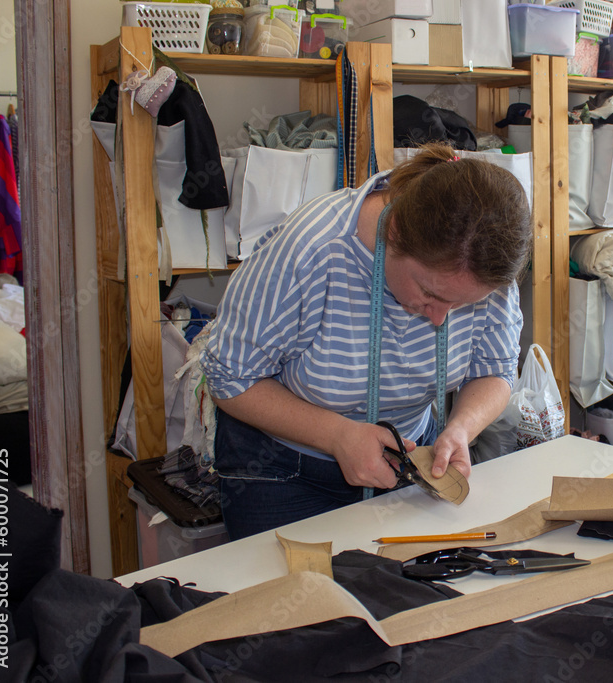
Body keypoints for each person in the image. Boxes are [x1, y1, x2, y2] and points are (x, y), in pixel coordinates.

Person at [200, 143, 532, 539]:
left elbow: (494, 370)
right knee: (295, 594)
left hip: (405, 457)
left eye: (462, 306)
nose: (441, 317)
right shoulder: (310, 249)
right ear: (393, 235)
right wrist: (337, 435)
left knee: (398, 591)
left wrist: (461, 428)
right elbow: (228, 378)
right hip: (284, 467)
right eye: (430, 295)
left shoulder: (483, 260)